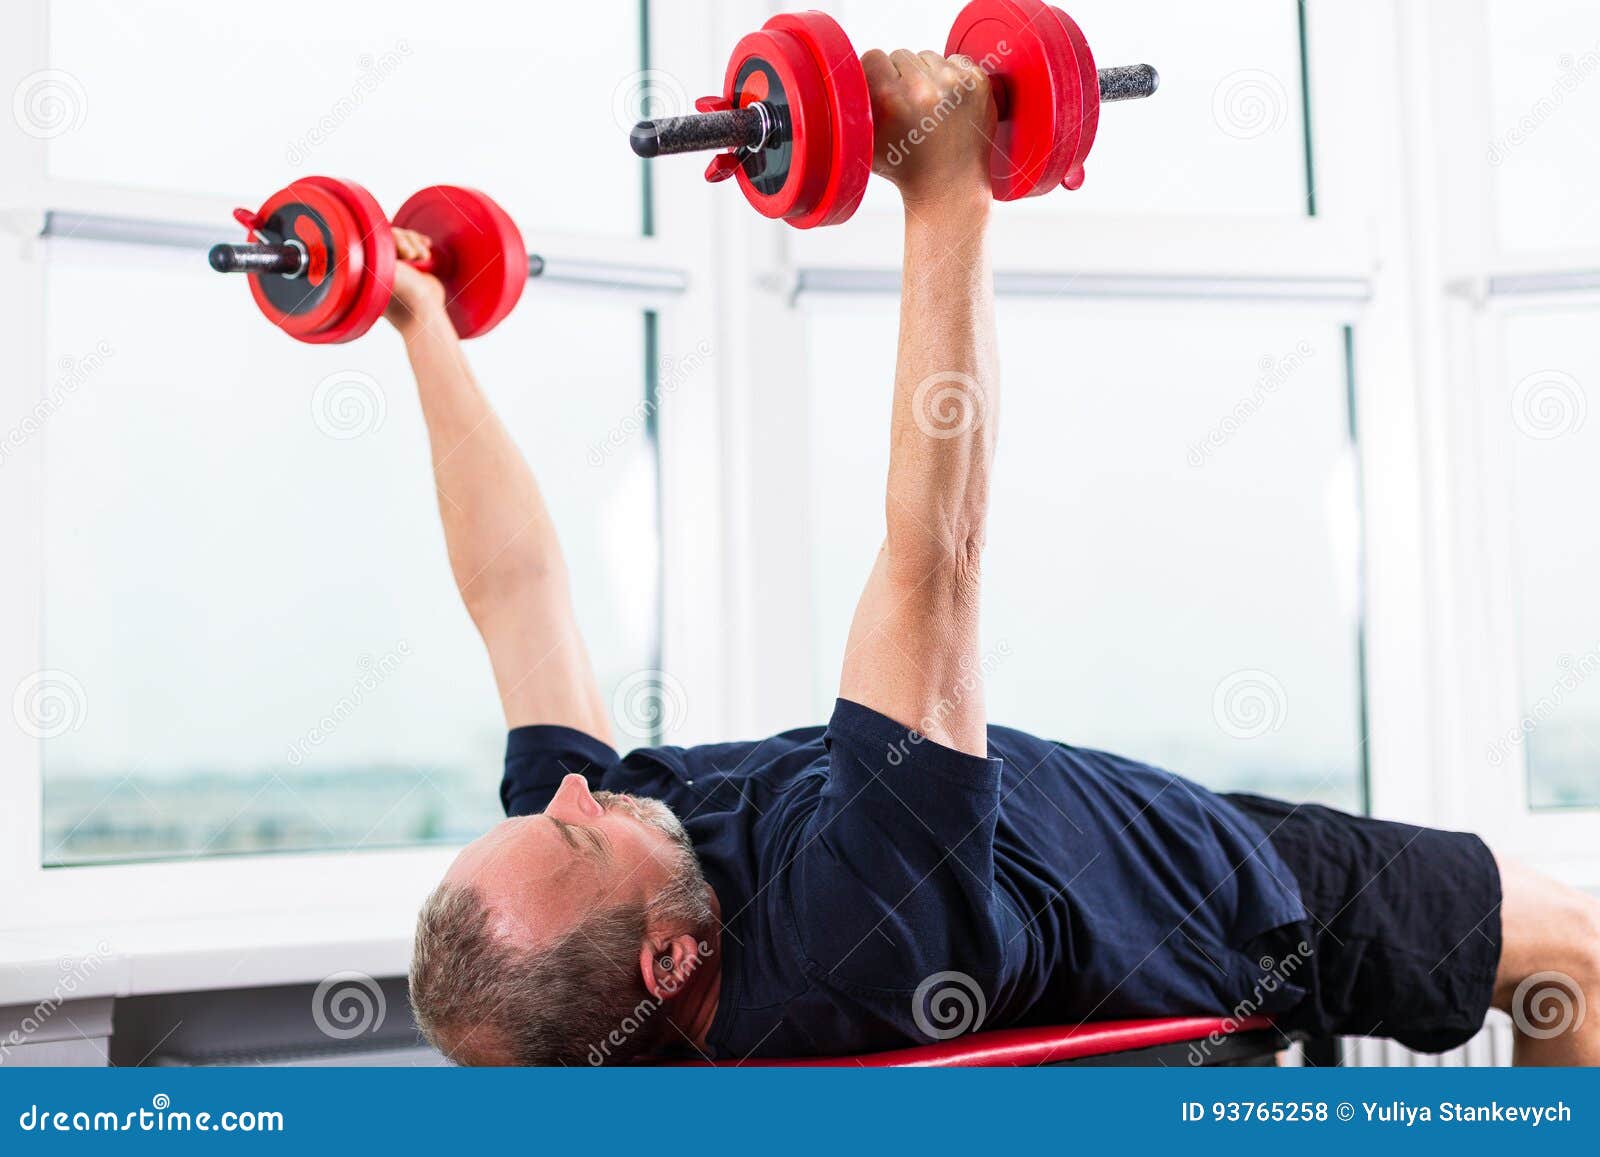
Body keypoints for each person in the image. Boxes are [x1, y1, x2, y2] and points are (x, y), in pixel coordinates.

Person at [398, 51, 1600, 1067]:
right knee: (1577, 955)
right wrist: (946, 183)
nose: (564, 790)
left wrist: (419, 317)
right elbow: (937, 552)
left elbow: (517, 591)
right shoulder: (852, 931)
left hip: (1098, 841)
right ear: (667, 958)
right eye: (567, 828)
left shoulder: (596, 922)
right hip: (1228, 897)